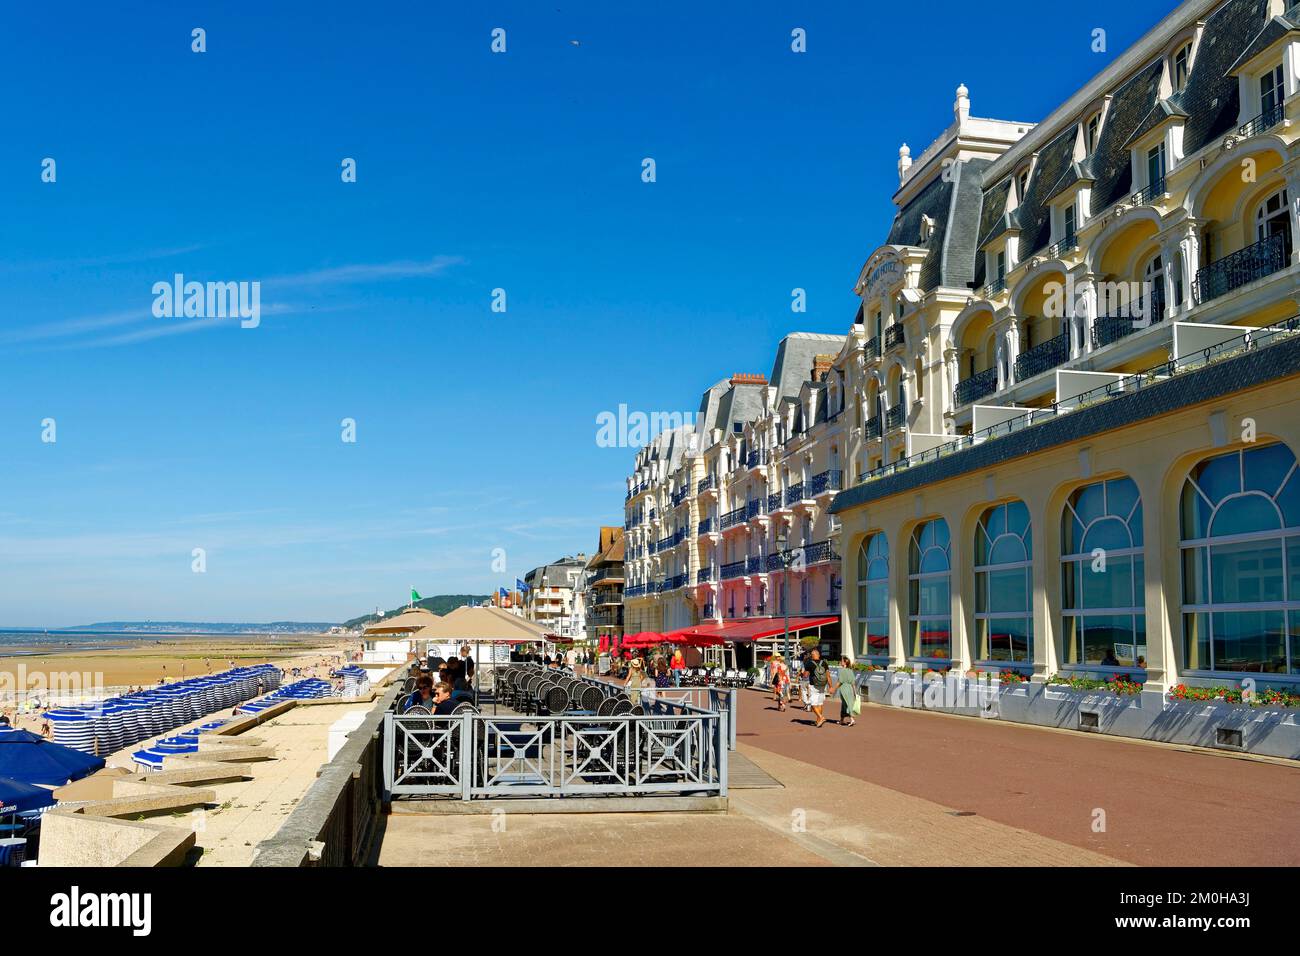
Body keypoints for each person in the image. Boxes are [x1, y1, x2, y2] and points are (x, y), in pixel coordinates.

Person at [804, 648, 830, 728]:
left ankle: (821, 717)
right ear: (818, 655)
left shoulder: (809, 663)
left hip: (814, 685)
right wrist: (831, 686)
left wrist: (803, 673)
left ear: (812, 656)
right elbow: (828, 676)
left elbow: (806, 675)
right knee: (820, 703)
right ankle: (818, 721)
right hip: (823, 685)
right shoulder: (824, 663)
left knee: (812, 704)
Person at [831, 656, 859, 727]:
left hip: (844, 689)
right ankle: (842, 720)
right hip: (850, 689)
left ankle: (852, 719)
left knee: (847, 704)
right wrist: (855, 692)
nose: (840, 662)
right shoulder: (850, 670)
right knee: (844, 704)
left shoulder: (842, 671)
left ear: (844, 662)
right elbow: (853, 683)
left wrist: (833, 689)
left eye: (841, 661)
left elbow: (839, 682)